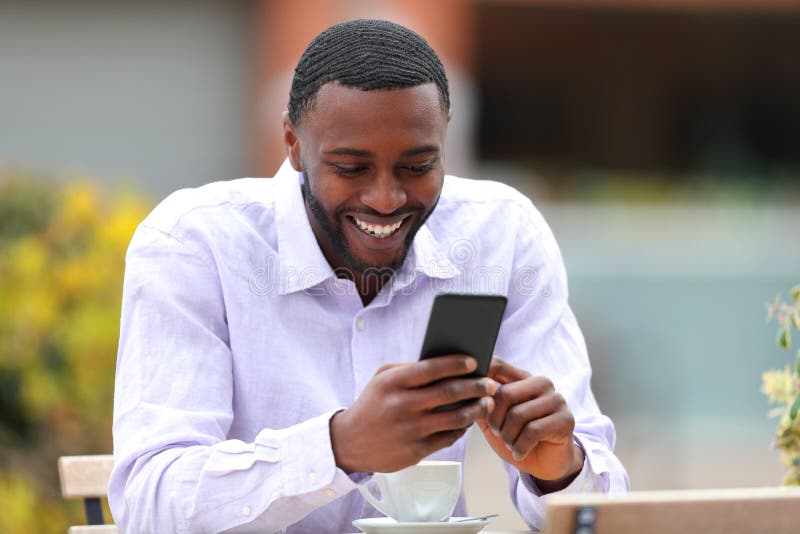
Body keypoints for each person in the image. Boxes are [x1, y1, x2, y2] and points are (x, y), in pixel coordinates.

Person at [108, 18, 628, 534]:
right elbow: (150, 503)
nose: (386, 199)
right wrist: (339, 447)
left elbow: (603, 515)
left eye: (417, 166)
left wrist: (560, 471)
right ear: (292, 142)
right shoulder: (195, 245)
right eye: (352, 168)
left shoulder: (502, 235)